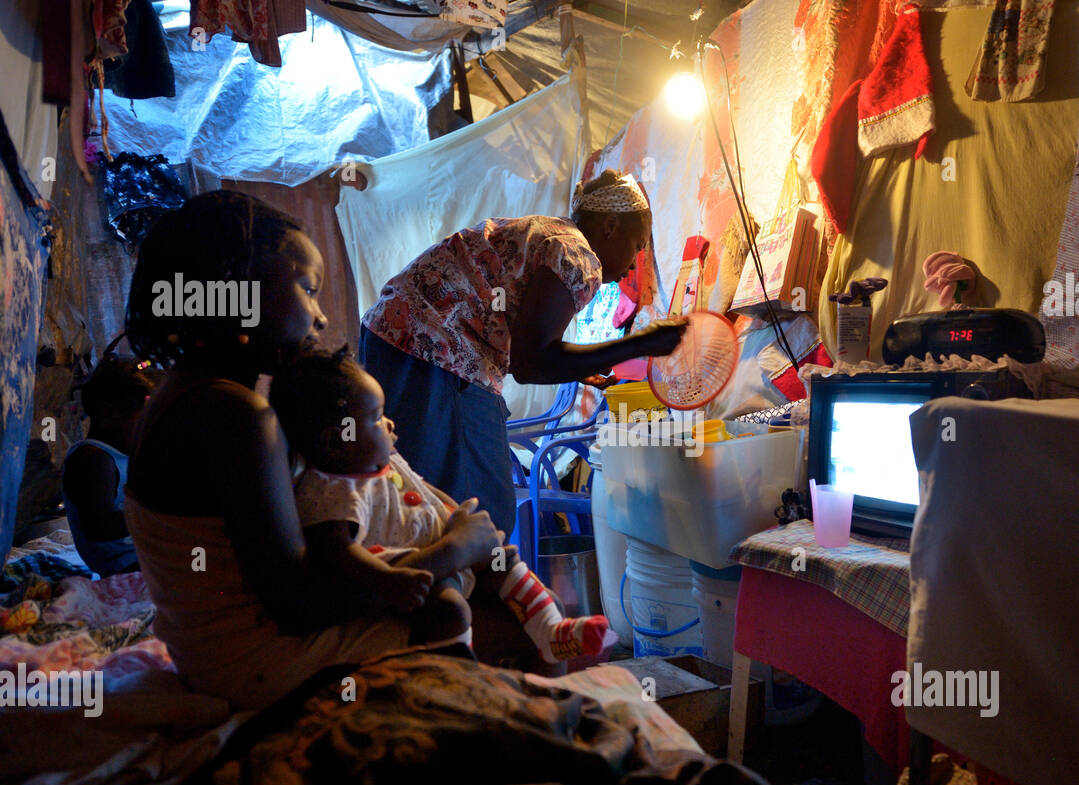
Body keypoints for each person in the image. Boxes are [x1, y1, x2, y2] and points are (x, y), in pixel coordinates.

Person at [123, 190, 511, 711]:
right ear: (240, 289)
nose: (321, 318)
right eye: (308, 290)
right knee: (500, 624)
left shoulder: (186, 393)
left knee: (481, 599)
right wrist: (452, 551)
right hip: (258, 662)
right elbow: (300, 605)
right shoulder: (234, 414)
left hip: (209, 656)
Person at [359, 169, 687, 538]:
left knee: (418, 495)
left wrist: (575, 363)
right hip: (439, 355)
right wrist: (642, 343)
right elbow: (532, 364)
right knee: (481, 512)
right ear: (610, 226)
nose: (634, 262)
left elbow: (526, 352)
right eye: (637, 244)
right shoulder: (578, 254)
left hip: (392, 339)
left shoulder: (544, 231)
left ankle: (436, 586)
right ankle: (470, 590)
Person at [269, 346, 613, 664]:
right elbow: (337, 548)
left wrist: (462, 517)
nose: (389, 424)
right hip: (424, 573)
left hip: (456, 551)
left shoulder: (381, 460)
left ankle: (550, 629)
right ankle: (458, 676)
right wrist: (388, 579)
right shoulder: (332, 489)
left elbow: (429, 493)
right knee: (450, 611)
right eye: (375, 418)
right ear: (336, 440)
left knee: (510, 565)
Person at [63, 353, 156, 577]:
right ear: (108, 415)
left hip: (139, 559)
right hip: (125, 565)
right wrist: (158, 513)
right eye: (143, 421)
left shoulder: (119, 455)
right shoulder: (94, 458)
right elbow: (100, 527)